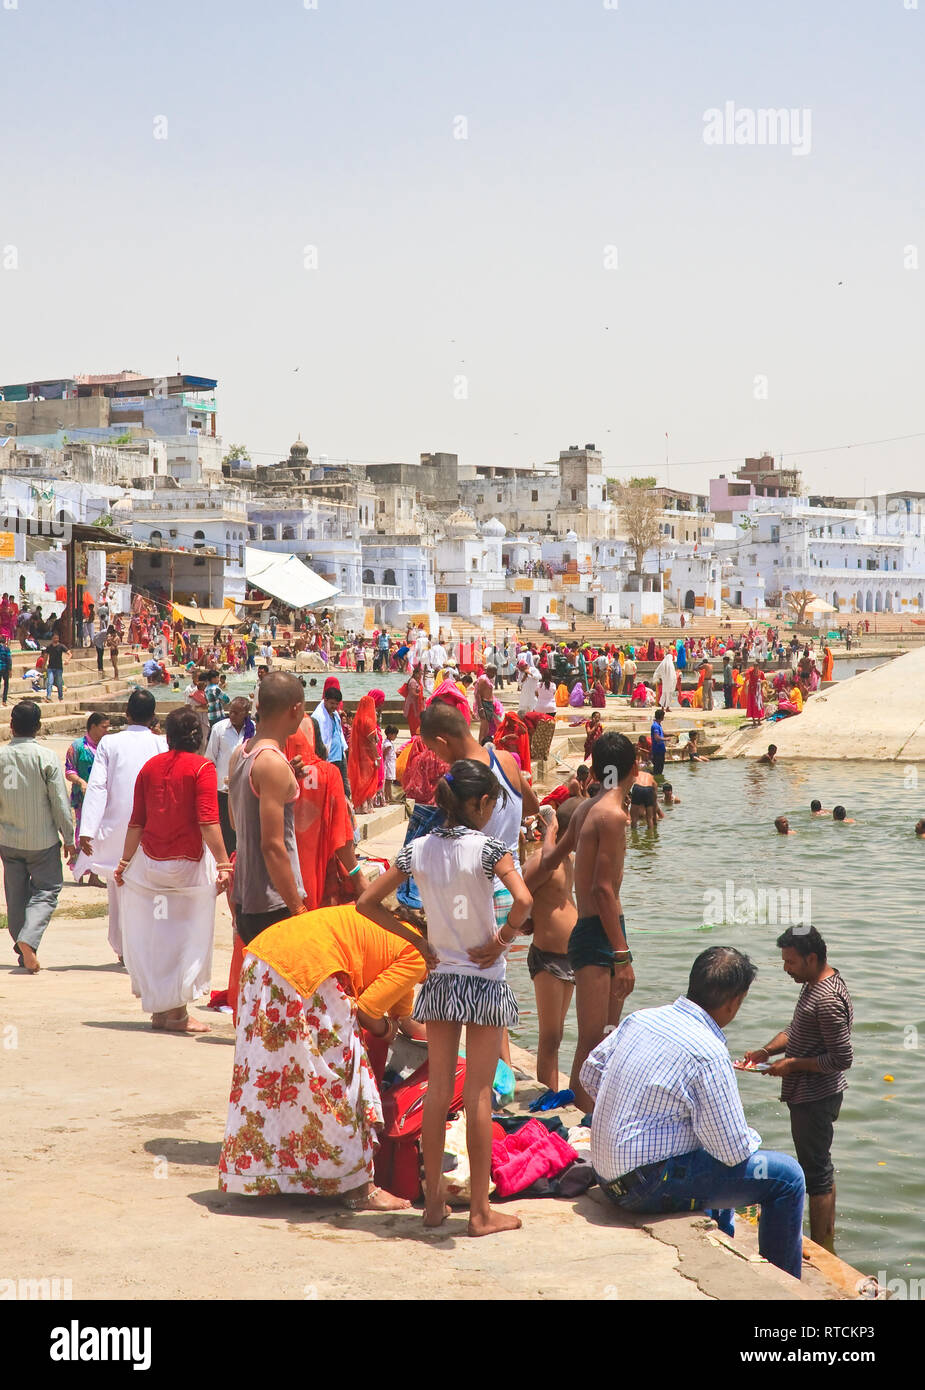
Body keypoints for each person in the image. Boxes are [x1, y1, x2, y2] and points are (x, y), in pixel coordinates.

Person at [358, 758, 532, 1235]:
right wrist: (502, 940)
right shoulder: (492, 850)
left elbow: (366, 903)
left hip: (440, 980)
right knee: (477, 1095)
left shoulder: (418, 849)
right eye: (492, 804)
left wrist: (417, 941)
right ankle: (479, 1212)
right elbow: (524, 901)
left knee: (437, 1093)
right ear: (478, 804)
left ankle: (433, 1204)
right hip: (484, 982)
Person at [583, 947, 806, 1280]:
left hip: (604, 1174)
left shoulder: (641, 1018)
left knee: (702, 1149)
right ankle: (784, 1286)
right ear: (735, 1001)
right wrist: (749, 1136)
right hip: (643, 1187)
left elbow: (590, 1074)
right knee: (788, 1177)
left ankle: (723, 1238)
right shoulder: (709, 1052)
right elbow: (732, 1150)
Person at [219, 903, 430, 1210]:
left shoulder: (396, 936)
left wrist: (423, 1038)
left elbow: (405, 1016)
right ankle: (360, 1188)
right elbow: (371, 1014)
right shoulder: (416, 953)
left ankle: (278, 1176)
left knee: (278, 1078)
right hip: (309, 971)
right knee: (339, 1076)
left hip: (261, 958)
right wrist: (385, 1031)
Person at [114, 708, 232, 1034]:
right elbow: (208, 821)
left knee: (159, 936)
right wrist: (223, 863)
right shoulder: (203, 769)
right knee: (182, 938)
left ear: (168, 735)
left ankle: (161, 1010)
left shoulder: (149, 768)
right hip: (186, 867)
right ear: (199, 735)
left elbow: (136, 821)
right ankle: (177, 1013)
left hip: (150, 866)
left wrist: (125, 863)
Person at [538, 732, 637, 1114]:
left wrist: (547, 831)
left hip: (594, 932)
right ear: (634, 768)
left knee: (603, 1040)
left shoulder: (583, 809)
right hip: (602, 935)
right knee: (595, 1042)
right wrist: (622, 955)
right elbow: (602, 889)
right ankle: (584, 1123)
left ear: (595, 770)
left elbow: (551, 859)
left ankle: (595, 1119)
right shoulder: (611, 816)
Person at [743, 927, 853, 1254]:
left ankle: (822, 1248)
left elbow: (841, 1058)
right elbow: (798, 1030)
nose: (786, 968)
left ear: (812, 958)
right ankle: (825, 1243)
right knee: (816, 1168)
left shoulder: (828, 997)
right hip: (806, 1094)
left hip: (816, 1096)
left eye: (791, 962)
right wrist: (767, 1052)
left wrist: (792, 1066)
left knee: (817, 1174)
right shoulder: (813, 985)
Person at [75, 689, 167, 960]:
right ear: (153, 716)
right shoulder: (161, 744)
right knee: (149, 889)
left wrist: (87, 830)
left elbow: (98, 786)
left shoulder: (109, 743)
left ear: (127, 714)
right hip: (152, 828)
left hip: (117, 829)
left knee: (118, 887)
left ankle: (123, 947)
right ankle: (144, 945)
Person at [228, 671, 306, 945]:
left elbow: (236, 822)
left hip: (245, 898)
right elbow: (272, 845)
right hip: (274, 904)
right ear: (296, 709)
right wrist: (297, 908)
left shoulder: (240, 753)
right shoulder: (272, 763)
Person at [0, 700, 74, 973]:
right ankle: (28, 941)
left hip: (8, 839)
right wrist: (69, 837)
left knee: (16, 896)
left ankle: (23, 949)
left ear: (11, 726)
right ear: (39, 727)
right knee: (47, 890)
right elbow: (59, 802)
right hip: (42, 840)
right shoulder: (46, 758)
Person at [522, 803, 577, 1098]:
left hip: (570, 957)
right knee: (550, 1036)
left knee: (558, 1036)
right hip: (547, 957)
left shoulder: (568, 859)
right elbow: (520, 893)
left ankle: (554, 1093)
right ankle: (546, 1095)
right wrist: (522, 923)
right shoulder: (543, 860)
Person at [64, 712, 110, 886]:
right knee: (82, 832)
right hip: (82, 798)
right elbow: (69, 770)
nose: (107, 731)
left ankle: (94, 874)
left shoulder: (107, 746)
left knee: (99, 834)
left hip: (102, 797)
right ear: (92, 727)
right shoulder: (77, 746)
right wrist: (81, 781)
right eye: (104, 727)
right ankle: (81, 870)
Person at [204, 697, 253, 854]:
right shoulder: (219, 729)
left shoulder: (254, 730)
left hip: (245, 790)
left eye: (236, 712)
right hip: (223, 791)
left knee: (245, 830)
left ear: (246, 713)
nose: (232, 715)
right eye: (230, 711)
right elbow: (210, 758)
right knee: (226, 832)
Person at [312, 679, 350, 798]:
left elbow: (339, 733)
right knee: (330, 788)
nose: (334, 707)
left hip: (339, 755)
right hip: (328, 757)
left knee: (344, 787)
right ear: (325, 700)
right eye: (332, 704)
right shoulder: (318, 717)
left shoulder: (335, 715)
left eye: (336, 704)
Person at [347, 693, 381, 815]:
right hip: (368, 755)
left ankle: (360, 807)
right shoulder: (369, 721)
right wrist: (377, 756)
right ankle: (367, 807)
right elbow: (372, 741)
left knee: (360, 779)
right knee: (369, 780)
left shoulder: (357, 720)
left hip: (358, 755)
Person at [43, 632, 70, 703]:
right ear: (52, 638)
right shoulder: (49, 647)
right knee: (50, 682)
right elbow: (45, 656)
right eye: (55, 638)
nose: (56, 639)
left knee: (59, 683)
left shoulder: (61, 646)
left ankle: (60, 697)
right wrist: (44, 665)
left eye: (57, 638)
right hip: (51, 667)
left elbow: (69, 653)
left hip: (59, 668)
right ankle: (48, 697)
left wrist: (67, 659)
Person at [381, 723, 398, 804]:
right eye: (395, 735)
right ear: (390, 734)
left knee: (388, 782)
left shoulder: (388, 743)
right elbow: (384, 754)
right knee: (388, 782)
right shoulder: (388, 745)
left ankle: (388, 796)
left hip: (390, 764)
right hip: (388, 765)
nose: (395, 737)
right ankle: (388, 797)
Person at [649, 708, 666, 777]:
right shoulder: (655, 726)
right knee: (657, 769)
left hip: (661, 750)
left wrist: (671, 734)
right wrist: (666, 739)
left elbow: (662, 734)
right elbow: (657, 738)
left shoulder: (659, 725)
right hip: (657, 750)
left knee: (660, 769)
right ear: (661, 716)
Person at [0, 632, 12, 706]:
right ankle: (4, 700)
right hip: (5, 668)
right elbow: (9, 659)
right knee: (6, 684)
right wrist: (10, 670)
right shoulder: (6, 649)